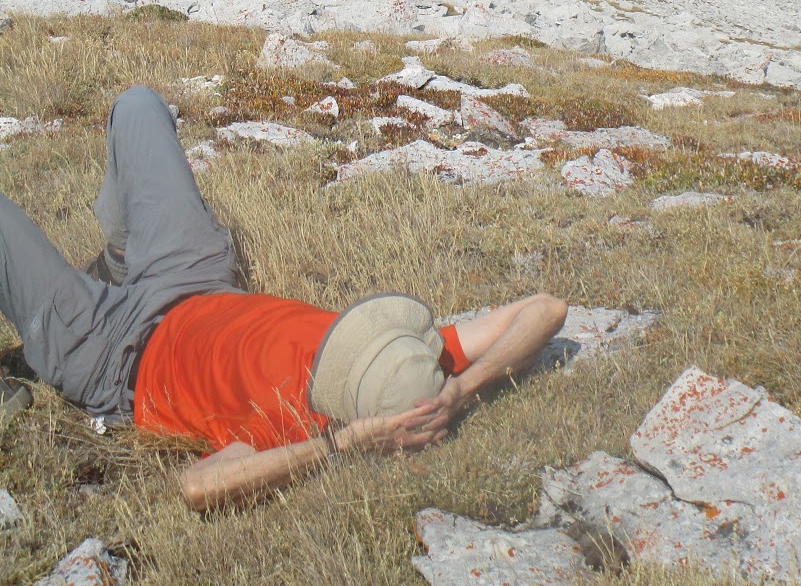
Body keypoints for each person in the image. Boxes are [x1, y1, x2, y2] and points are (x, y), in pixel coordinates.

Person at [0, 85, 567, 512]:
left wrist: (343, 445)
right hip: (197, 279)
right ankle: (118, 265)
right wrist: (462, 392)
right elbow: (546, 308)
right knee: (139, 106)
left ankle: (80, 308)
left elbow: (198, 488)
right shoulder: (411, 364)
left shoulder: (291, 429)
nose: (347, 331)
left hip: (112, 354)